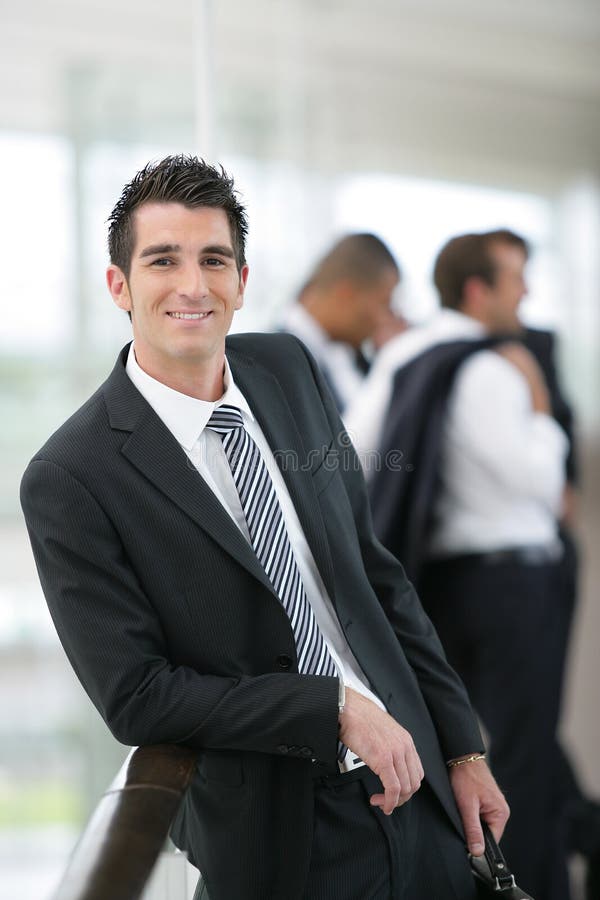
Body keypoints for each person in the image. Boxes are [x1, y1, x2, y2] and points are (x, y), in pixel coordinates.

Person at [20, 157, 508, 900]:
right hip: (283, 833)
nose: (193, 285)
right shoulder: (71, 476)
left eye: (214, 260)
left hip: (417, 778)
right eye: (163, 260)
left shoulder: (288, 368)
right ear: (119, 285)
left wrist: (463, 748)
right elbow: (137, 695)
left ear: (242, 281)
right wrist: (329, 708)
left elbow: (375, 573)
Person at [345, 228, 573, 899]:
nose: (526, 293)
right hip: (515, 583)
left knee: (458, 748)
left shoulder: (404, 354)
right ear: (478, 290)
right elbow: (536, 479)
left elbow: (351, 452)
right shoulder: (499, 366)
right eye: (516, 278)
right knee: (524, 755)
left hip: (435, 586)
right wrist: (542, 412)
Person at [280, 233, 405, 412]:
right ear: (346, 295)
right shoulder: (272, 367)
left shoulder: (355, 357)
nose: (385, 318)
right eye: (383, 303)